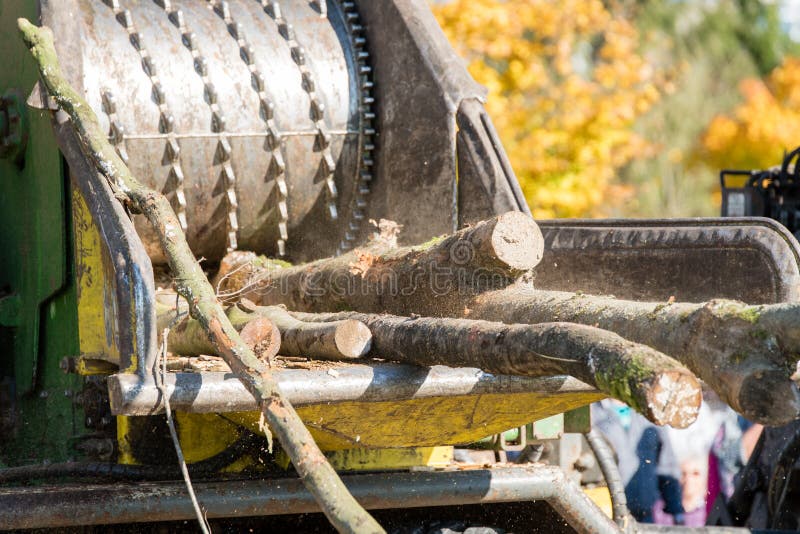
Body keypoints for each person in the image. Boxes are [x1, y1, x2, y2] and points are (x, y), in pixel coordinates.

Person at [592, 400, 685, 524]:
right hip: (606, 514)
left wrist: (676, 507)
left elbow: (666, 465)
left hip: (644, 513)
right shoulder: (593, 410)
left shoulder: (649, 410)